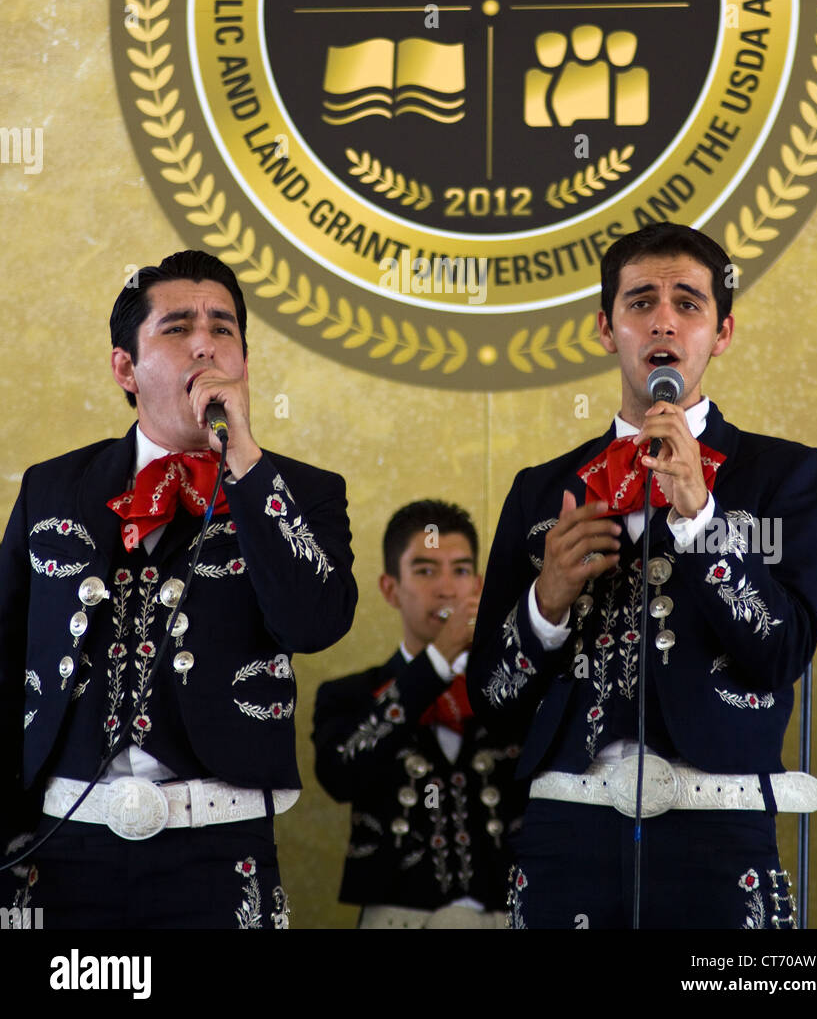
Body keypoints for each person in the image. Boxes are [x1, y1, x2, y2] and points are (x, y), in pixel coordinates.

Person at [466, 223, 817, 930]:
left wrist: (701, 518)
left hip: (719, 829)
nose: (663, 319)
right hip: (566, 832)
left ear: (721, 333)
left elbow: (780, 653)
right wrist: (545, 604)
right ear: (608, 330)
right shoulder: (543, 491)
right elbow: (491, 697)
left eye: (688, 303)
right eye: (640, 302)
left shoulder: (787, 475)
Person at [0, 250, 356, 929]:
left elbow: (313, 623)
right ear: (125, 369)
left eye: (224, 328)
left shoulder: (304, 492)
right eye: (177, 327)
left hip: (221, 852)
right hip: (60, 850)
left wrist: (246, 463)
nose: (205, 342)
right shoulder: (53, 487)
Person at [313, 500, 525, 928]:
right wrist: (436, 663)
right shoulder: (348, 695)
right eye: (426, 570)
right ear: (391, 589)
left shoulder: (518, 689)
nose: (447, 588)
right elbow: (338, 775)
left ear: (480, 586)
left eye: (461, 570)